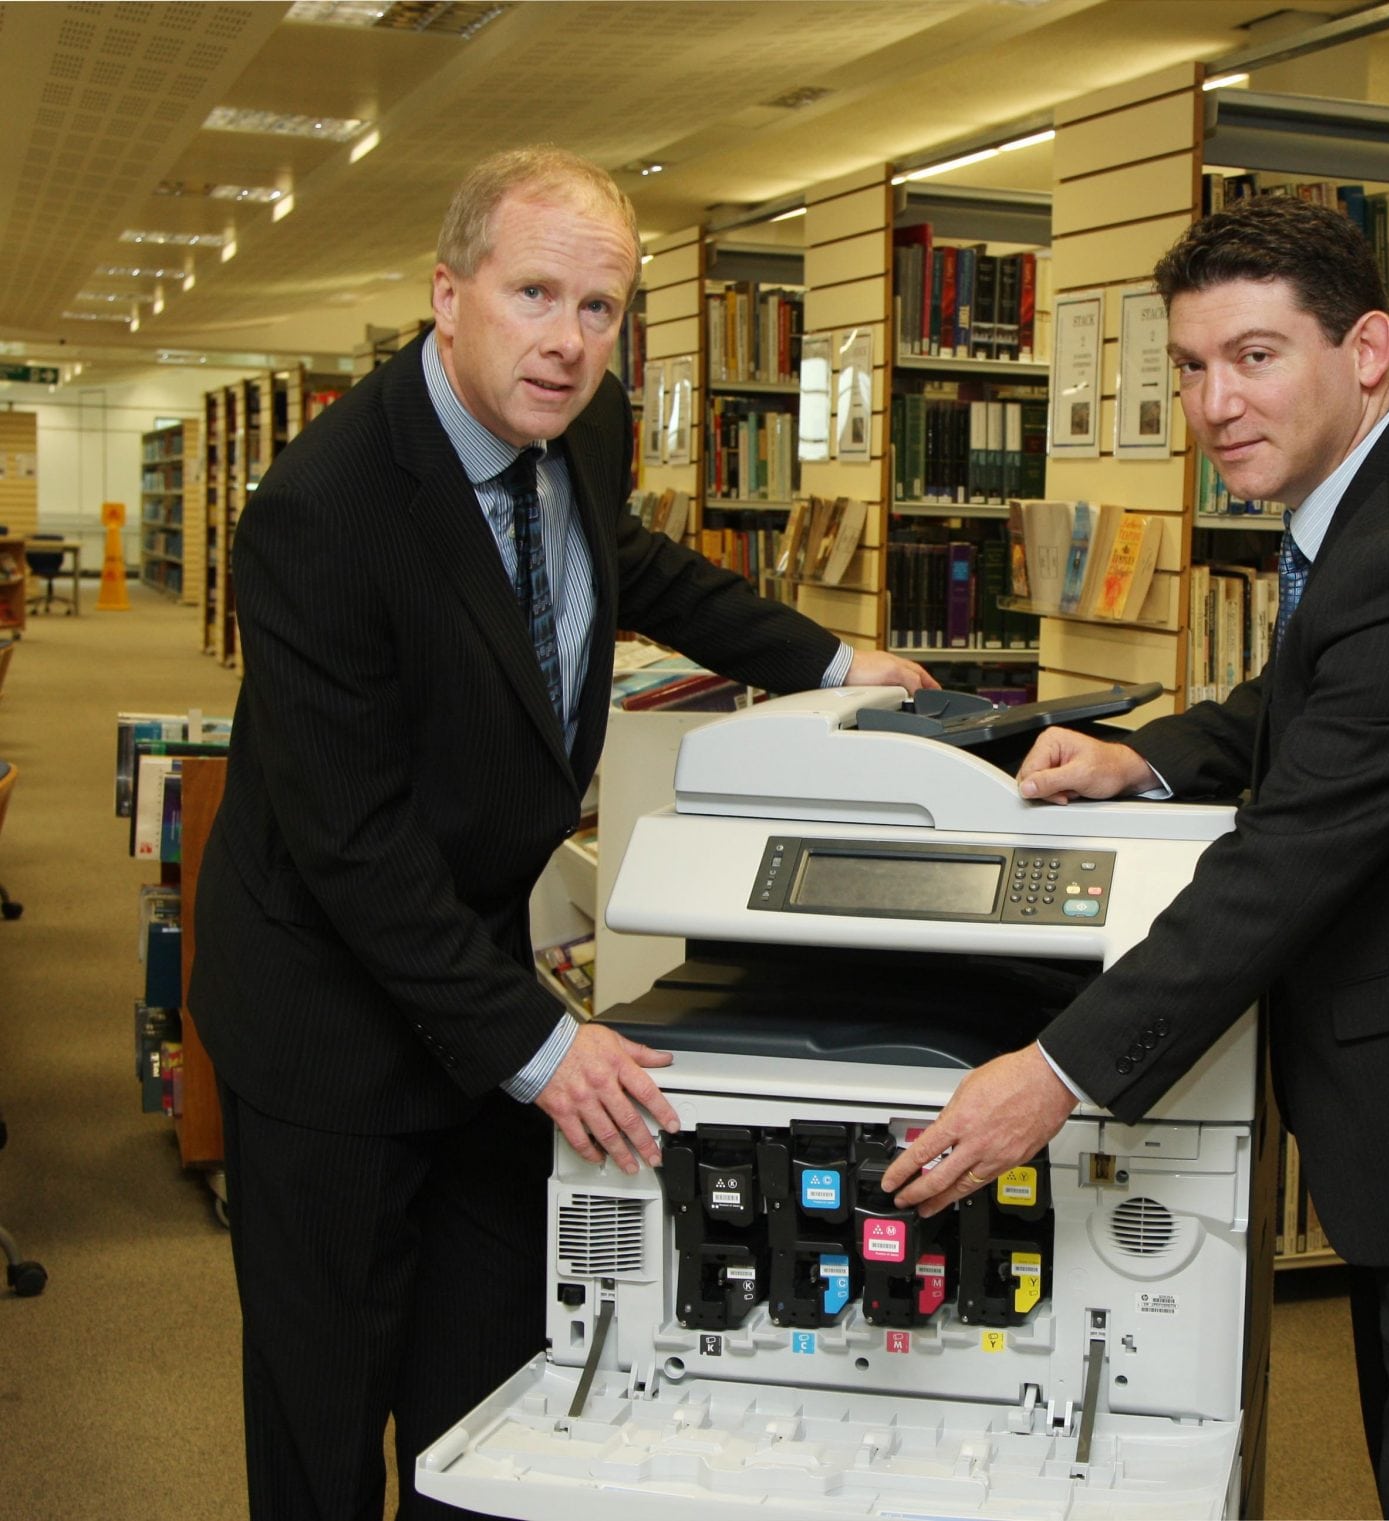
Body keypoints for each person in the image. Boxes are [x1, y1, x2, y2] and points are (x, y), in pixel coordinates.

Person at [882, 197, 1389, 1517]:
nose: (1213, 402)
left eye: (1255, 356)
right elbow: (1310, 697)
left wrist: (1053, 1072)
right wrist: (1153, 752)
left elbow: (1284, 869)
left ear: (1365, 349)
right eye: (1193, 365)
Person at [190, 145, 932, 1520]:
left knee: (500, 1386)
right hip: (327, 1017)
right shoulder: (322, 509)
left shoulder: (576, 426)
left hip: (470, 986)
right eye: (534, 292)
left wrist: (832, 665)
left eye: (599, 308)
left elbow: (634, 564)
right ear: (449, 292)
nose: (567, 340)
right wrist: (543, 1046)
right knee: (327, 1408)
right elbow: (352, 844)